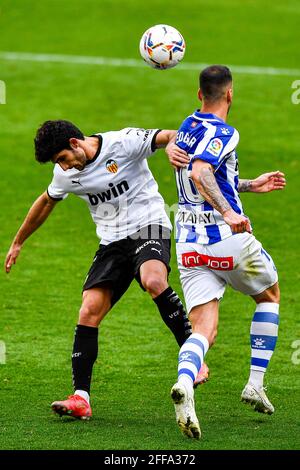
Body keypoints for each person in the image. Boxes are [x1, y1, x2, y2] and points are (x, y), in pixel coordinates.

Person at [4, 120, 209, 420]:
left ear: (75, 143)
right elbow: (47, 201)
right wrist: (18, 242)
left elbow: (168, 135)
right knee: (88, 310)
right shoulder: (64, 174)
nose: (63, 167)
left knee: (153, 280)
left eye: (62, 158)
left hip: (148, 226)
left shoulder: (122, 143)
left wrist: (172, 148)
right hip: (112, 241)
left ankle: (194, 357)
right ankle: (81, 398)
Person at [165, 65, 286, 439]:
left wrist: (249, 185)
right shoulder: (225, 132)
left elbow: (211, 175)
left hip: (188, 244)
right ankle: (255, 381)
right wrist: (231, 211)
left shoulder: (187, 125)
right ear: (229, 94)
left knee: (204, 329)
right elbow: (202, 172)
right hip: (224, 237)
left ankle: (185, 382)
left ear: (199, 94)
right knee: (270, 296)